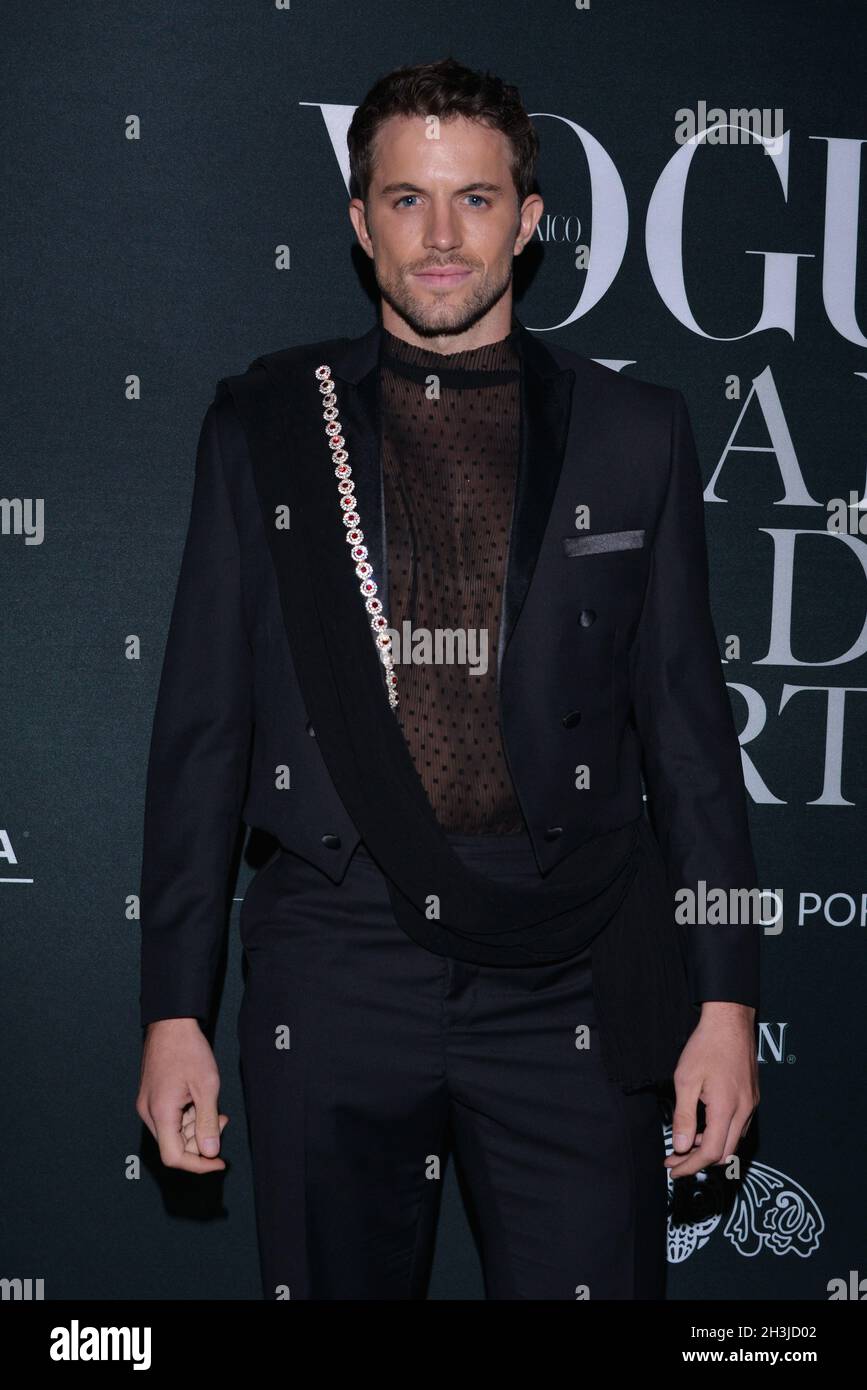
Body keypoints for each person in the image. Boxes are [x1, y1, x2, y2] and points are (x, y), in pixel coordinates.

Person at [135, 56, 760, 1300]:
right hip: (336, 948)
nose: (439, 236)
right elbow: (202, 730)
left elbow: (692, 737)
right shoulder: (264, 422)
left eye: (475, 200)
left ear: (528, 224)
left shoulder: (637, 432)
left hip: (571, 962)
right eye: (406, 200)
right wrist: (172, 1008)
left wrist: (728, 999)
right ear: (359, 222)